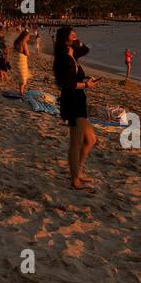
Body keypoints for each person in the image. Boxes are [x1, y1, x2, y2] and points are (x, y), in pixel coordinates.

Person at [53, 26, 97, 190]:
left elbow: (85, 49)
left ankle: (77, 170)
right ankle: (75, 178)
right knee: (76, 142)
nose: (75, 34)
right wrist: (86, 84)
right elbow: (68, 83)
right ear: (65, 38)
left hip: (79, 99)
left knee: (90, 139)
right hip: (71, 100)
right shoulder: (63, 57)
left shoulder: (72, 53)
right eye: (71, 33)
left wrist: (78, 42)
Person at [13, 27, 31, 95]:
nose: (28, 38)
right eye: (28, 37)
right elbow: (27, 53)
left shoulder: (17, 42)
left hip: (17, 60)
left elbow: (16, 50)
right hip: (22, 61)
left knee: (21, 76)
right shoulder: (24, 43)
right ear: (25, 37)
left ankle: (21, 91)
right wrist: (25, 52)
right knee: (23, 77)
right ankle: (21, 91)